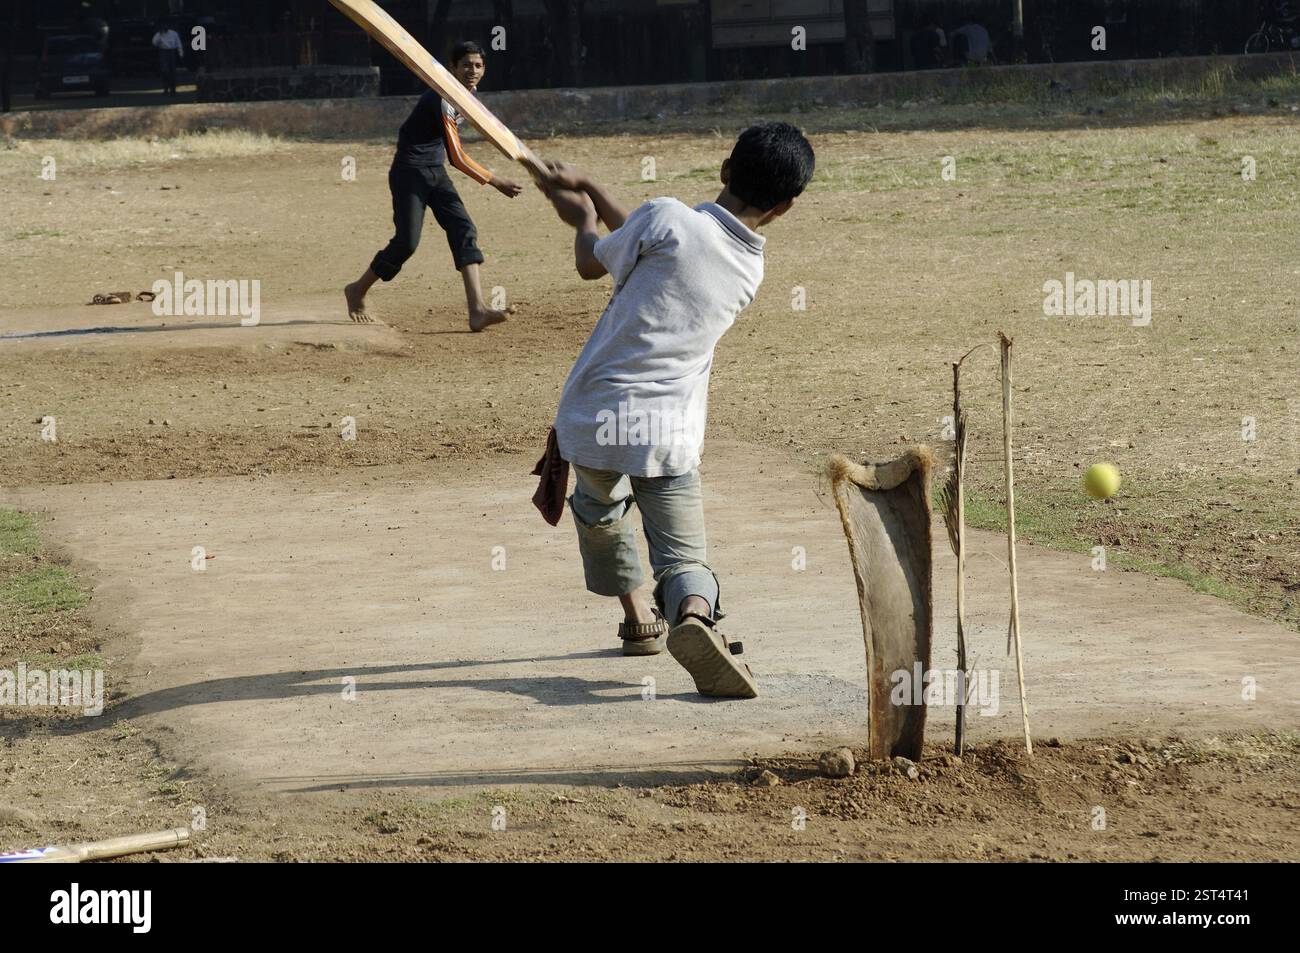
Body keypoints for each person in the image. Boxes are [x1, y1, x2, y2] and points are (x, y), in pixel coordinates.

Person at [538, 122, 815, 698]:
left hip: (593, 416)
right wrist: (588, 184)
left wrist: (583, 216)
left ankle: (639, 616)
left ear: (723, 169)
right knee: (682, 553)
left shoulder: (664, 214)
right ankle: (691, 615)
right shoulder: (748, 271)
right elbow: (653, 240)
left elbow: (599, 261)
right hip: (664, 430)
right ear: (786, 208)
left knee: (601, 510)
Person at [345, 41, 523, 330]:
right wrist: (494, 180)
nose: (472, 71)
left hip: (434, 170)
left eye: (478, 66)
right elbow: (457, 157)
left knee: (463, 229)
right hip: (409, 172)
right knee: (406, 243)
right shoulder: (442, 98)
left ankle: (477, 310)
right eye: (466, 65)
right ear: (452, 68)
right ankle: (357, 290)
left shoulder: (470, 95)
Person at [151, 21, 184, 96]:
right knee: (164, 71)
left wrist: (180, 53)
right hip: (163, 52)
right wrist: (159, 35)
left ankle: (173, 90)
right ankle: (166, 89)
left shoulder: (173, 33)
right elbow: (154, 43)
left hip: (171, 52)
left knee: (172, 72)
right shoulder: (158, 34)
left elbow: (178, 43)